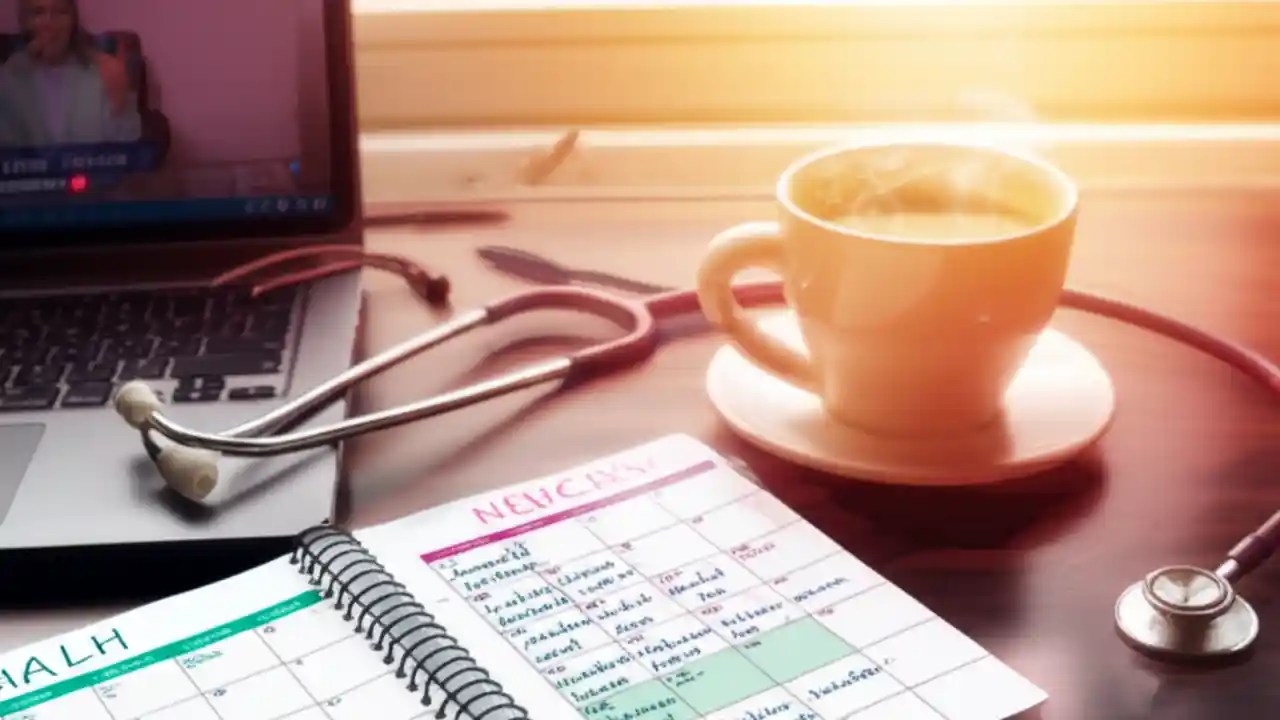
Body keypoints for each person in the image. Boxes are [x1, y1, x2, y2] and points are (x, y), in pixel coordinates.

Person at [0, 0, 141, 148]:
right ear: (25, 22)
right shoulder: (9, 76)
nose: (49, 23)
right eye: (38, 13)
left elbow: (128, 151)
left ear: (73, 21)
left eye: (61, 12)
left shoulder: (102, 70)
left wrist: (120, 104)